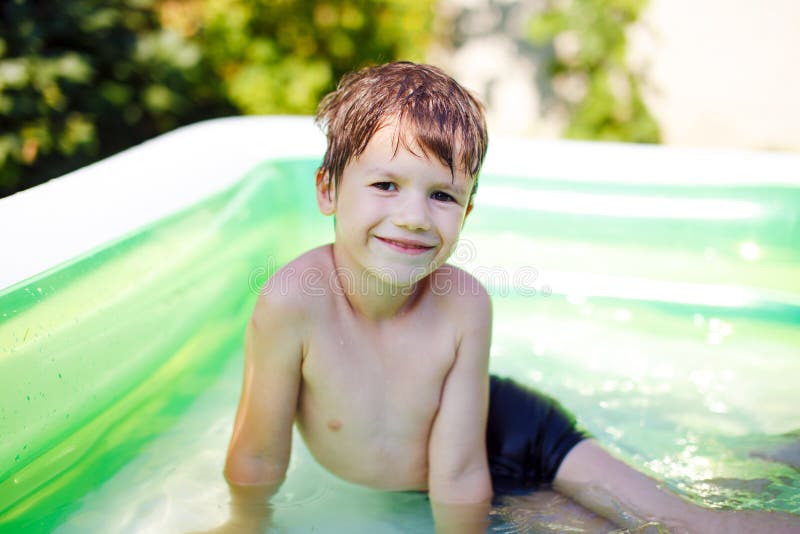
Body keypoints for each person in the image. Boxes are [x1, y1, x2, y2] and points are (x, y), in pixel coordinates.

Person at [210, 62, 799, 533]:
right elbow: (257, 456)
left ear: (467, 211)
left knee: (684, 523)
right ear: (328, 189)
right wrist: (244, 525)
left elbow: (462, 471)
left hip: (520, 436)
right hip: (444, 479)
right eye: (386, 185)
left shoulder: (463, 305)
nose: (414, 217)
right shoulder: (294, 303)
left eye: (442, 195)